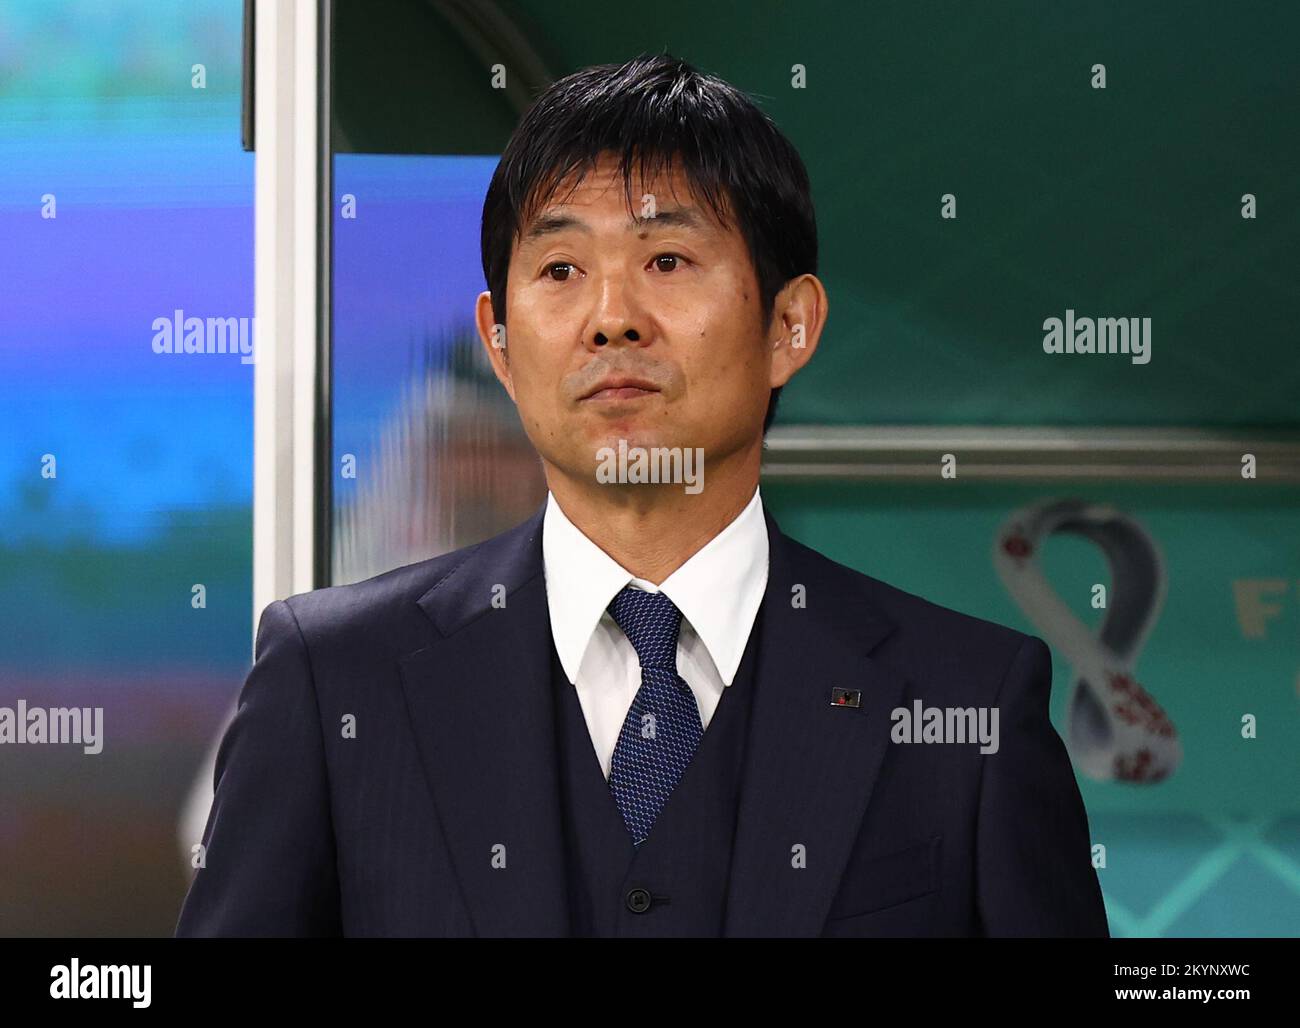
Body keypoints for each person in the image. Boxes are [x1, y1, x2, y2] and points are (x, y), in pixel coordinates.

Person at [175, 53, 1107, 937]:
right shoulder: (334, 679)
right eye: (560, 271)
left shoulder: (968, 703)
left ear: (791, 324)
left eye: (667, 260)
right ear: (498, 341)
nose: (612, 317)